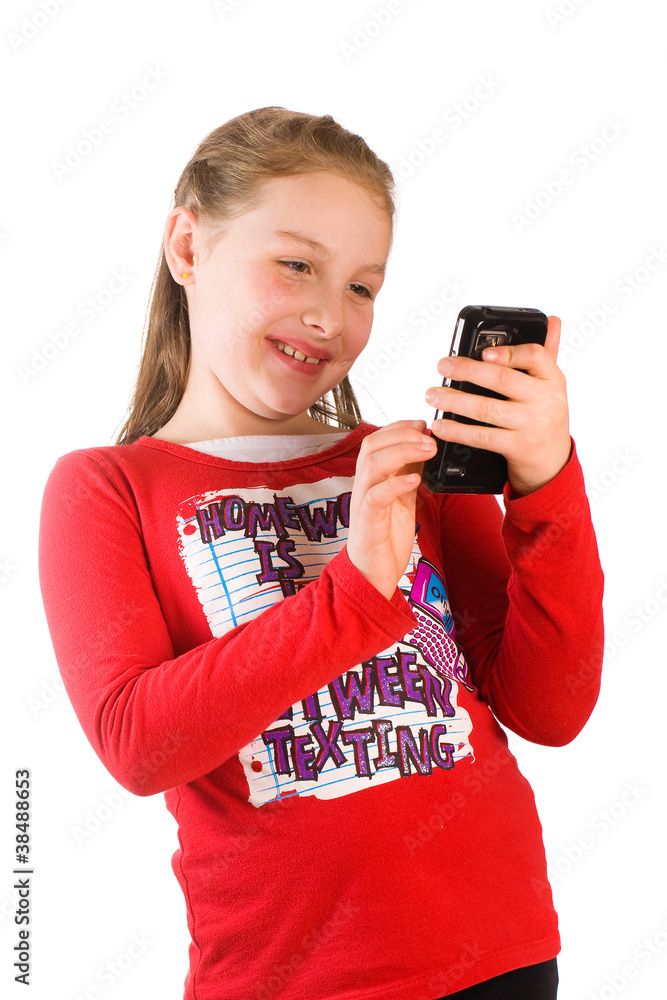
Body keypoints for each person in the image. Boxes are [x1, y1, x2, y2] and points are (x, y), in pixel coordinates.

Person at [38, 106, 604, 999]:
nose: (327, 314)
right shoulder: (107, 489)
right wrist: (351, 596)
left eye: (362, 287)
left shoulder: (406, 467)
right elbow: (138, 745)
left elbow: (549, 709)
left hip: (499, 954)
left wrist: (546, 487)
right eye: (296, 263)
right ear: (188, 246)